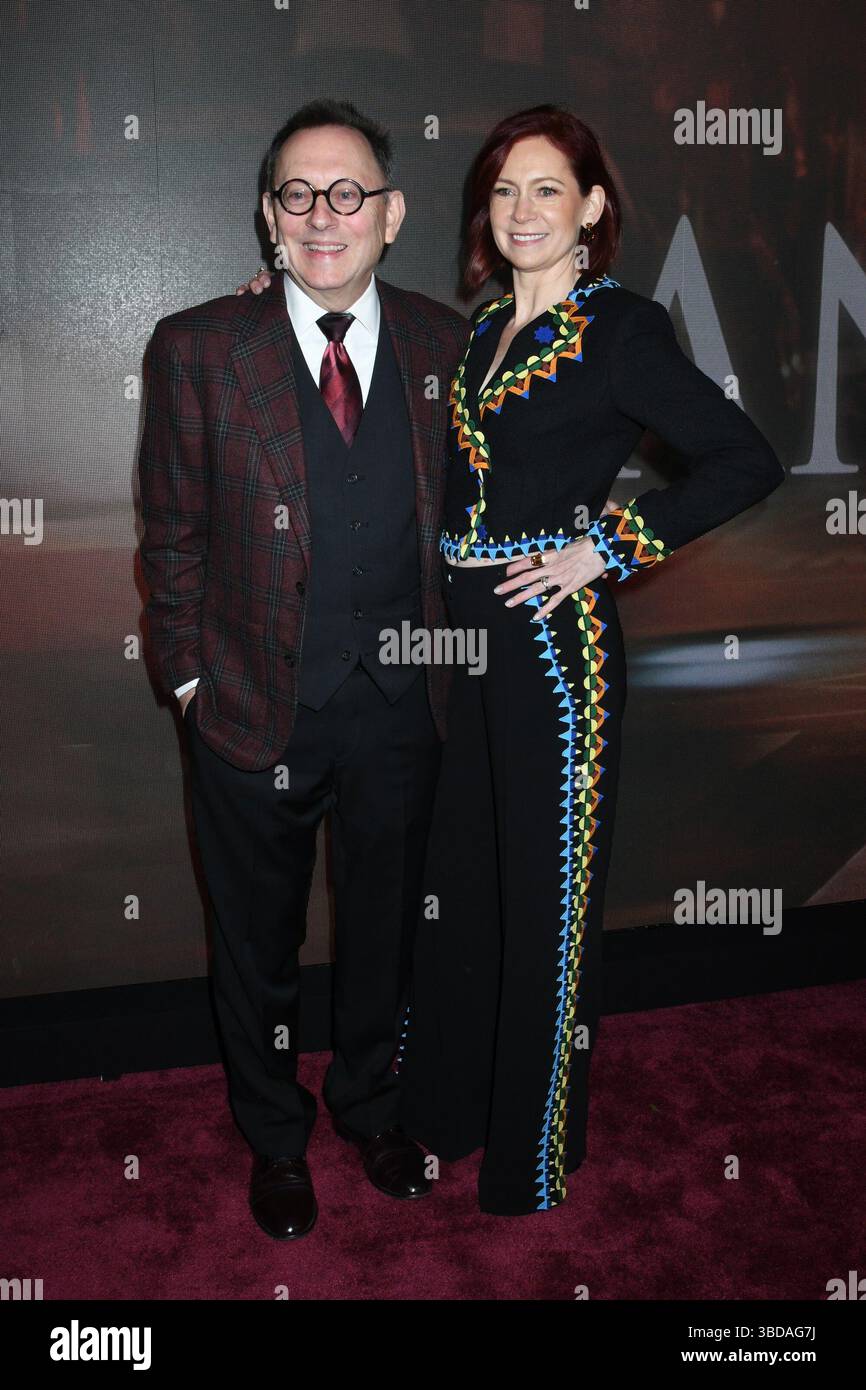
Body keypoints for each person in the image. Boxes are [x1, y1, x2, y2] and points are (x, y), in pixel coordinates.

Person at [237, 103, 785, 1219]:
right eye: (502, 191)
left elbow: (743, 458)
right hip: (462, 654)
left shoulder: (620, 327)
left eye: (546, 189)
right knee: (460, 893)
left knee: (545, 902)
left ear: (591, 207)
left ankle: (530, 1154)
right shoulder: (470, 330)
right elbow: (352, 334)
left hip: (553, 652)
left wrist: (605, 547)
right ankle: (443, 1112)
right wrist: (274, 302)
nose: (522, 210)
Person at [138, 99, 467, 1241]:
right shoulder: (196, 348)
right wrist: (187, 681)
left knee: (385, 928)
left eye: (348, 193)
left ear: (391, 214)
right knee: (256, 945)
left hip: (401, 710)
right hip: (247, 713)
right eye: (297, 194)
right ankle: (274, 1134)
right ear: (268, 217)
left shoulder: (449, 344)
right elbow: (170, 537)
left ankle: (369, 1101)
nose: (323, 216)